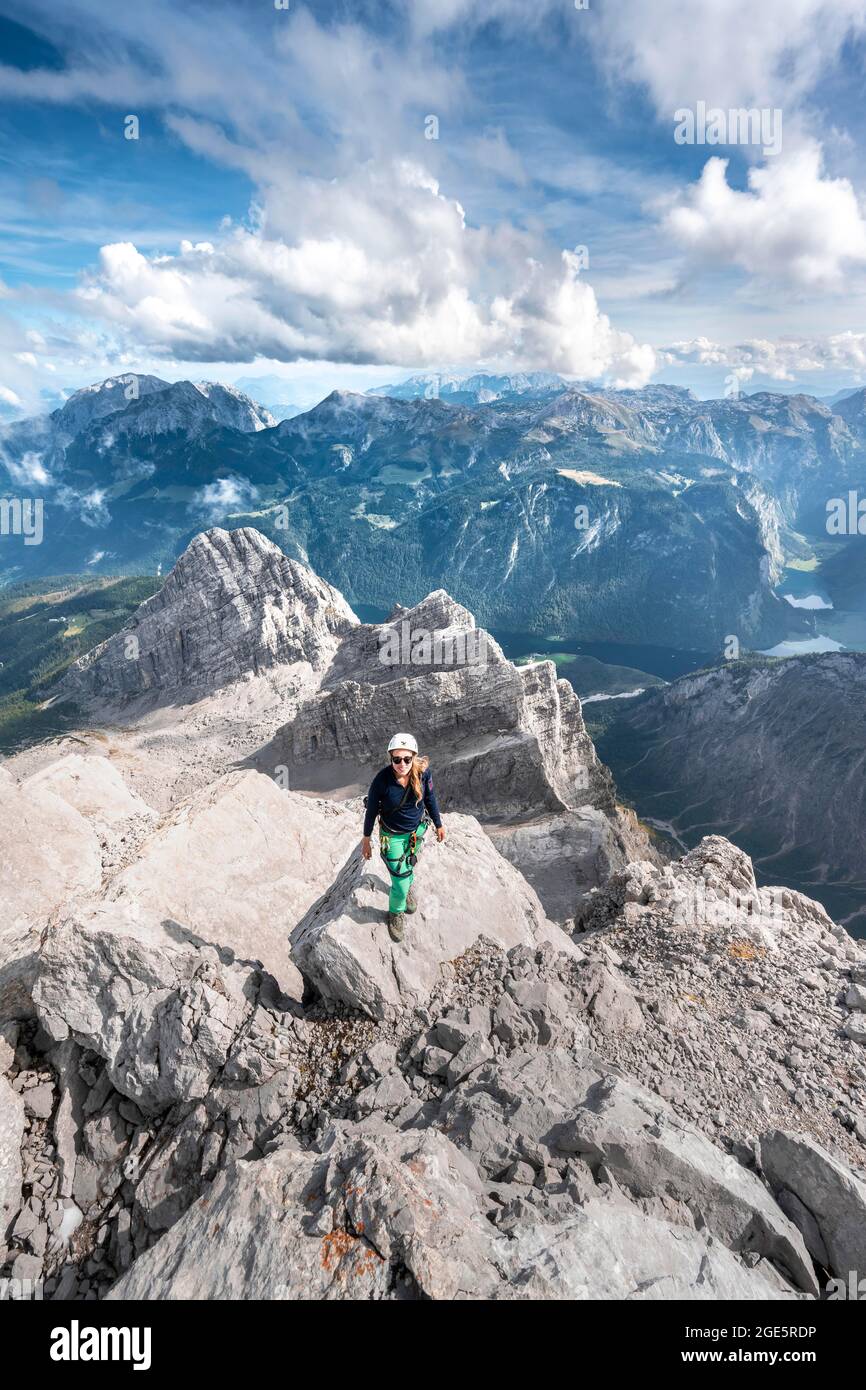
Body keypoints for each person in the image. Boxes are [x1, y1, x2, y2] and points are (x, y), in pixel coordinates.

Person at [361, 732, 445, 942]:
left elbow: (430, 799)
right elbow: (371, 810)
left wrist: (438, 823)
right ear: (391, 759)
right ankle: (396, 911)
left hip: (416, 832)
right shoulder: (382, 781)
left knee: (409, 863)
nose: (402, 764)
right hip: (393, 836)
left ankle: (405, 888)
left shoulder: (423, 774)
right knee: (399, 880)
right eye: (396, 759)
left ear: (413, 757)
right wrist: (366, 839)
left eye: (407, 759)